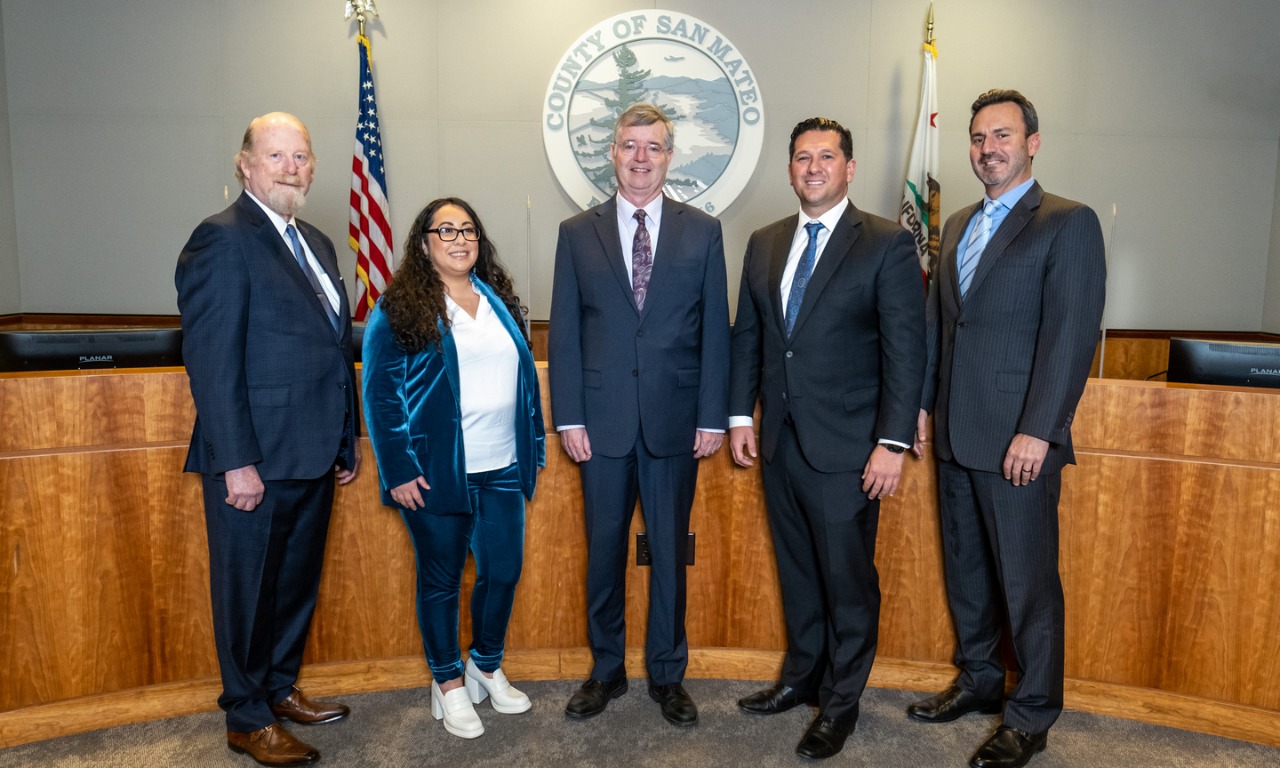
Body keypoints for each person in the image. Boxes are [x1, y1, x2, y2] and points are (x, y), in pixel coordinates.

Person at [906, 90, 1106, 768]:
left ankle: (1032, 715)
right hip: (957, 437)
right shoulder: (958, 222)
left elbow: (1070, 338)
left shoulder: (1066, 223)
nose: (987, 148)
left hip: (1019, 441)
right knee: (967, 573)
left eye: (1002, 135)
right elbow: (941, 326)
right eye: (978, 137)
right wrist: (924, 407)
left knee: (1027, 584)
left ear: (1032, 142)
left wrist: (1040, 431)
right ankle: (979, 680)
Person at [728, 117, 926, 760]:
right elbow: (750, 339)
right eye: (802, 157)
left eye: (827, 157)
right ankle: (801, 680)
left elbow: (906, 352)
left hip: (849, 450)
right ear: (789, 169)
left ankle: (840, 704)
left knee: (847, 581)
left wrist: (892, 443)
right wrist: (739, 417)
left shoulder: (887, 244)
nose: (813, 167)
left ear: (849, 167)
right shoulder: (764, 242)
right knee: (800, 575)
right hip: (780, 443)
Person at [176, 111, 359, 767]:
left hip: (314, 451)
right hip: (255, 459)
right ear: (245, 165)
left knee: (293, 587)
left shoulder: (315, 241)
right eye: (277, 156)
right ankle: (247, 717)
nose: (291, 168)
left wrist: (347, 439)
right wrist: (237, 463)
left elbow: (335, 349)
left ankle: (280, 689)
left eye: (301, 156)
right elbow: (213, 362)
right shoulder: (221, 240)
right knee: (248, 591)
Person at [548, 102, 730, 727]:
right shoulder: (578, 233)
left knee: (669, 554)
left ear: (669, 156)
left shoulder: (703, 232)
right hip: (600, 427)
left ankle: (668, 674)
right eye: (631, 145)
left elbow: (715, 335)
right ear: (613, 152)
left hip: (676, 423)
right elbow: (565, 333)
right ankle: (605, 671)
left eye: (654, 147)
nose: (641, 158)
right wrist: (567, 416)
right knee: (603, 550)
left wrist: (713, 416)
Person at [362, 197, 546, 740]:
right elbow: (380, 395)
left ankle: (484, 665)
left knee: (503, 570)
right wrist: (397, 468)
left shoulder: (496, 299)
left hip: (503, 465)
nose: (460, 238)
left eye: (468, 229)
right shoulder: (399, 307)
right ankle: (446, 682)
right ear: (424, 243)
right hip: (435, 469)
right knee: (441, 580)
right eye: (446, 230)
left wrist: (532, 442)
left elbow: (523, 381)